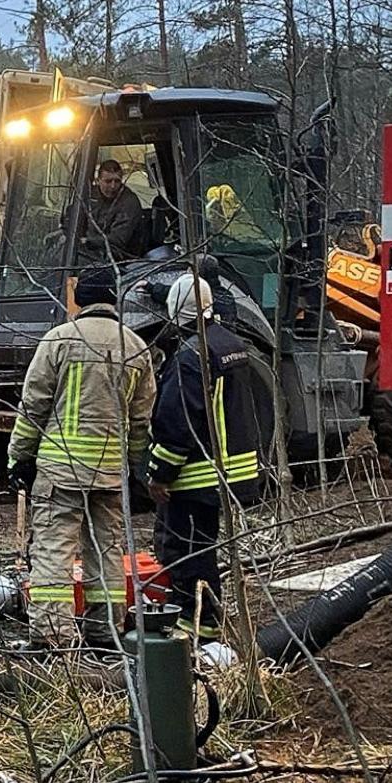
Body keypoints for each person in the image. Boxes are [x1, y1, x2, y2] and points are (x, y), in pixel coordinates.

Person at [7, 265, 157, 648]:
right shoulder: (135, 347)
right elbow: (141, 420)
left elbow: (33, 406)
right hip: (110, 473)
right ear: (114, 299)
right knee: (107, 551)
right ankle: (106, 629)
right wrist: (137, 469)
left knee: (54, 552)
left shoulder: (58, 341)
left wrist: (19, 458)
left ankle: (53, 634)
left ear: (80, 299)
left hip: (61, 471)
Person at [147, 275, 267, 642]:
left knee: (187, 555)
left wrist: (159, 474)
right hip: (234, 470)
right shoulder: (231, 345)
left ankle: (196, 630)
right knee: (206, 550)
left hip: (198, 476)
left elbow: (176, 423)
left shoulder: (189, 356)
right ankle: (207, 622)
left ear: (175, 310)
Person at [80, 159, 147, 260]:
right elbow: (73, 218)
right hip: (90, 252)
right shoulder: (89, 196)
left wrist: (88, 241)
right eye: (108, 181)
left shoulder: (129, 202)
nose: (113, 186)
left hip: (122, 258)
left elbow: (118, 239)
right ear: (98, 181)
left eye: (117, 181)